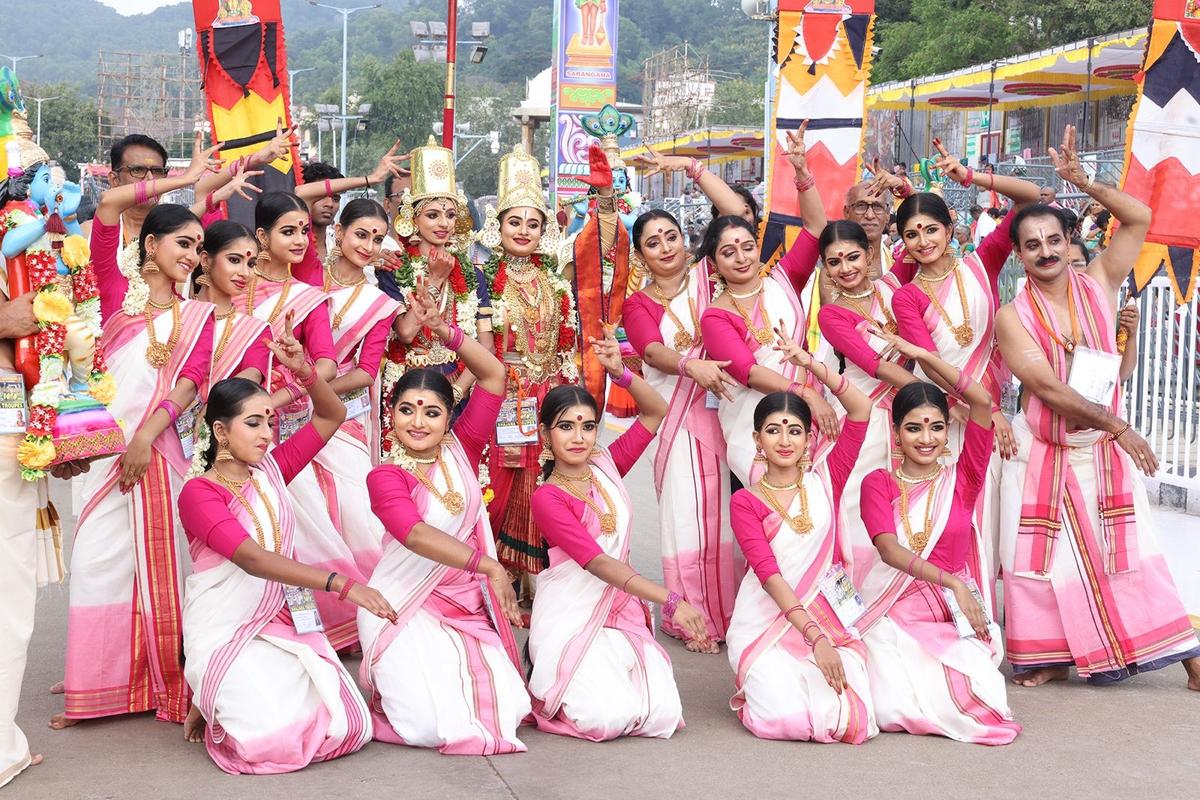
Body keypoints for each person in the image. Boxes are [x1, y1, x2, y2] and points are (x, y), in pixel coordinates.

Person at [996, 125, 1200, 690]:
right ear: (1018, 254)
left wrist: (1087, 183)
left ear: (1068, 241)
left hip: (1103, 453)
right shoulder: (1013, 318)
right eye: (1031, 245)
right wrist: (1122, 426)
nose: (1044, 252)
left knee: (1133, 555)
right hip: (1049, 453)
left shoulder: (1100, 282)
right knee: (1045, 563)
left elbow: (1137, 219)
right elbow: (1051, 390)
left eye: (1053, 241)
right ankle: (1049, 653)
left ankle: (1186, 654)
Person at [55, 133, 220, 729]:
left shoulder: (198, 314)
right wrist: (183, 179)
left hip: (159, 453)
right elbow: (105, 208)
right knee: (99, 564)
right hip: (101, 453)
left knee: (162, 568)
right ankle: (96, 687)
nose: (193, 256)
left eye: (200, 248)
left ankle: (157, 680)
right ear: (150, 246)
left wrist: (148, 438)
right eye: (183, 243)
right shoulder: (112, 289)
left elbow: (191, 384)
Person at [179, 335, 393, 774]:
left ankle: (213, 694)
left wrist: (306, 373)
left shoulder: (272, 470)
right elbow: (252, 559)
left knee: (347, 726)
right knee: (270, 742)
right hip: (224, 627)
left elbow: (331, 413)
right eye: (253, 423)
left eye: (269, 422)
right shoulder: (199, 493)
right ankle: (210, 686)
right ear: (220, 431)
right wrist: (342, 584)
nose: (266, 434)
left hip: (279, 620)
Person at [360, 299, 529, 754]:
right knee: (425, 724)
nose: (418, 422)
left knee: (506, 708)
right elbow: (414, 534)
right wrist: (490, 568)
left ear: (448, 418)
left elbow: (493, 375)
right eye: (407, 410)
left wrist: (445, 330)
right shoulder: (385, 476)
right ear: (390, 415)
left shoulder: (464, 448)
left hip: (464, 607)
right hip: (401, 606)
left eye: (432, 412)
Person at [527, 331, 711, 740]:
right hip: (571, 617)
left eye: (588, 426)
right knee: (605, 718)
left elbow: (655, 409)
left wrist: (620, 374)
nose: (579, 437)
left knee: (661, 713)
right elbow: (599, 562)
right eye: (566, 427)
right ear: (546, 435)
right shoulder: (548, 498)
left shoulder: (607, 465)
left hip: (619, 613)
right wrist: (670, 598)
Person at [856, 333, 1020, 745]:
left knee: (985, 697)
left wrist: (924, 356)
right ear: (896, 434)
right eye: (913, 428)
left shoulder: (963, 480)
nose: (925, 438)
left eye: (935, 427)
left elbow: (982, 402)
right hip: (896, 609)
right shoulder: (878, 483)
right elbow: (889, 550)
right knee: (890, 706)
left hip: (952, 612)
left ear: (948, 432)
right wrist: (951, 581)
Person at [889, 141, 1040, 588]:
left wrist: (971, 177)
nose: (923, 241)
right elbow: (929, 362)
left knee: (988, 514)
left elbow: (1031, 197)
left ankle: (982, 618)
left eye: (931, 229)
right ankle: (944, 608)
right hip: (940, 417)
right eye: (912, 235)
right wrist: (978, 410)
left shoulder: (983, 263)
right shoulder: (907, 295)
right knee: (945, 518)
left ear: (951, 226)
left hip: (988, 416)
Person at [726, 337, 878, 744]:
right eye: (773, 431)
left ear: (809, 439)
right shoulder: (746, 502)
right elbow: (770, 576)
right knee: (785, 719)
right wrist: (815, 640)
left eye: (795, 430)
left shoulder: (828, 479)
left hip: (828, 617)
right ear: (757, 440)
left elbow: (862, 409)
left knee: (847, 716)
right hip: (766, 622)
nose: (785, 440)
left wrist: (814, 367)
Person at [233, 190, 364, 648]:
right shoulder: (232, 286)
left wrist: (280, 395)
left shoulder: (307, 297)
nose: (301, 240)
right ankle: (250, 625)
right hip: (228, 424)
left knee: (303, 527)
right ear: (262, 237)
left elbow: (326, 364)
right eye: (288, 231)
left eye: (305, 232)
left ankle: (331, 622)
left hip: (283, 424)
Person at [623, 209, 740, 651]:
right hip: (675, 420)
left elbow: (739, 216)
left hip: (727, 415)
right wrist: (693, 365)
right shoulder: (638, 304)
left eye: (671, 236)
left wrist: (689, 171)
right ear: (640, 255)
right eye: (653, 243)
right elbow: (651, 351)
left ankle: (733, 612)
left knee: (730, 518)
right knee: (686, 519)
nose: (666, 247)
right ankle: (693, 617)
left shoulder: (709, 280)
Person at [477, 145, 577, 591]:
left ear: (544, 232)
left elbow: (565, 340)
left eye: (532, 224)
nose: (523, 231)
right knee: (503, 480)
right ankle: (500, 576)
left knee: (547, 479)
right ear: (497, 228)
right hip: (507, 393)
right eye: (514, 222)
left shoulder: (556, 281)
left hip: (548, 391)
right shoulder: (482, 279)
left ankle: (543, 578)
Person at [697, 209, 838, 487]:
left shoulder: (784, 281)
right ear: (713, 262)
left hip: (809, 418)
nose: (741, 257)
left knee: (814, 506)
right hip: (754, 426)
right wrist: (806, 394)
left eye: (748, 247)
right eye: (728, 252)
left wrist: (802, 175)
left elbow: (816, 224)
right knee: (768, 510)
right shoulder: (714, 317)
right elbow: (749, 373)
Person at [816, 221, 919, 582]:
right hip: (868, 416)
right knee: (859, 503)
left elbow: (919, 242)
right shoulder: (831, 315)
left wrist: (904, 191)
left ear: (871, 253)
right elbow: (874, 366)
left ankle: (903, 593)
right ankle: (858, 587)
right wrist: (941, 399)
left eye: (853, 257)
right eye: (834, 262)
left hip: (912, 414)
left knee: (909, 502)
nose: (845, 268)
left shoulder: (894, 286)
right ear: (824, 268)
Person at [379, 137, 492, 454]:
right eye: (432, 215)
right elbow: (404, 332)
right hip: (408, 390)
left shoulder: (472, 275)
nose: (443, 223)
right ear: (413, 218)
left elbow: (484, 348)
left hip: (458, 389)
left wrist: (455, 391)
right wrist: (434, 280)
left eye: (450, 215)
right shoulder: (393, 269)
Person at [308, 199, 403, 575]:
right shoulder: (307, 276)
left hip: (339, 410)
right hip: (284, 403)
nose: (368, 246)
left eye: (377, 240)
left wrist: (312, 391)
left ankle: (366, 589)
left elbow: (366, 371)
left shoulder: (379, 303)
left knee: (355, 503)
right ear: (338, 232)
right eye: (361, 235)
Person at [192, 221, 271, 388]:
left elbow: (251, 377)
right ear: (205, 260)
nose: (245, 273)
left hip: (219, 412)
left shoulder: (254, 331)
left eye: (251, 264)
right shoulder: (177, 314)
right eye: (234, 260)